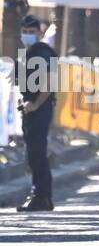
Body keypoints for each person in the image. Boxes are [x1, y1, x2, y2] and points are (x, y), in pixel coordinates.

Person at [16, 15, 57, 212]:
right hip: (31, 107)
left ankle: (42, 196)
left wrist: (36, 104)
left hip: (40, 108)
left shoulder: (42, 52)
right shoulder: (29, 52)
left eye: (31, 32)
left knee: (37, 153)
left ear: (39, 33)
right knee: (33, 153)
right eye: (24, 31)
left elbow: (50, 81)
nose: (27, 35)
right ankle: (40, 195)